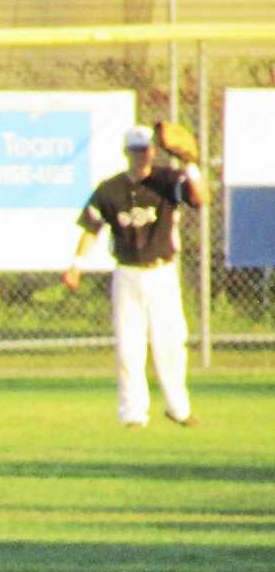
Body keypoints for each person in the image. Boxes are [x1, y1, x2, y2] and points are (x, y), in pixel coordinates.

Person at [63, 124, 209, 429]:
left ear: (153, 151)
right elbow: (91, 228)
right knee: (129, 347)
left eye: (145, 150)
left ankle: (178, 409)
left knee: (170, 344)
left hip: (162, 272)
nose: (142, 155)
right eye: (136, 150)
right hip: (127, 273)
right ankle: (132, 413)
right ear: (126, 152)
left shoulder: (168, 181)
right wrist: (76, 265)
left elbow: (200, 199)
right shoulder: (110, 189)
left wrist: (191, 165)